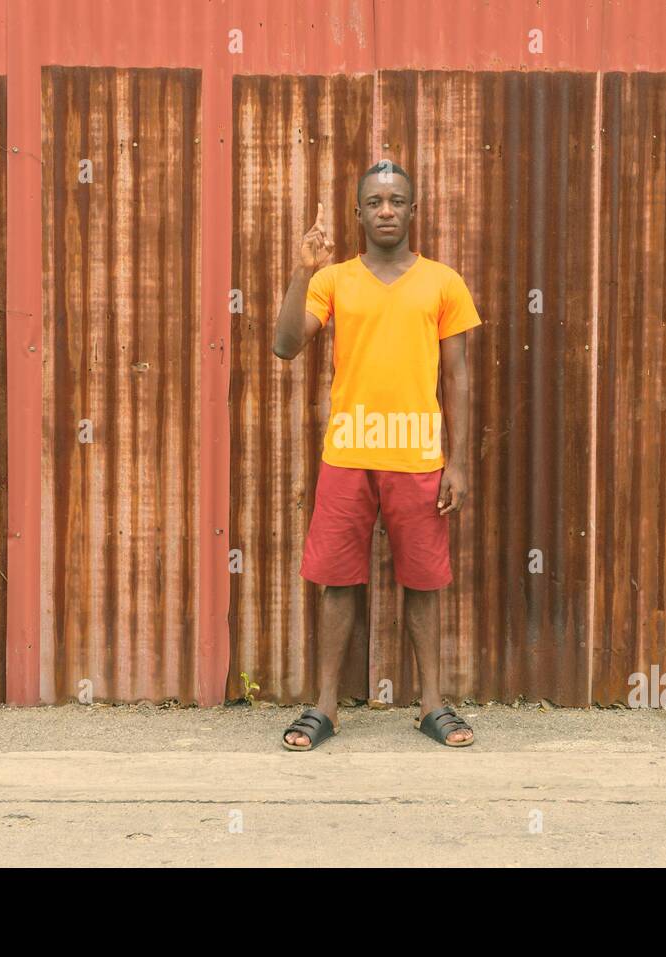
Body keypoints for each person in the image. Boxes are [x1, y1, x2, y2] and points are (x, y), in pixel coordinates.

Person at [272, 161, 482, 750]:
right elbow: (285, 345)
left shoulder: (443, 282)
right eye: (374, 202)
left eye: (397, 201)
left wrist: (457, 462)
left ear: (414, 211)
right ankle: (325, 708)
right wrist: (300, 270)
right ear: (359, 213)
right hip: (349, 452)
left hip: (418, 454)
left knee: (424, 581)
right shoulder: (332, 279)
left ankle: (432, 705)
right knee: (337, 581)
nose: (386, 210)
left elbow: (458, 376)